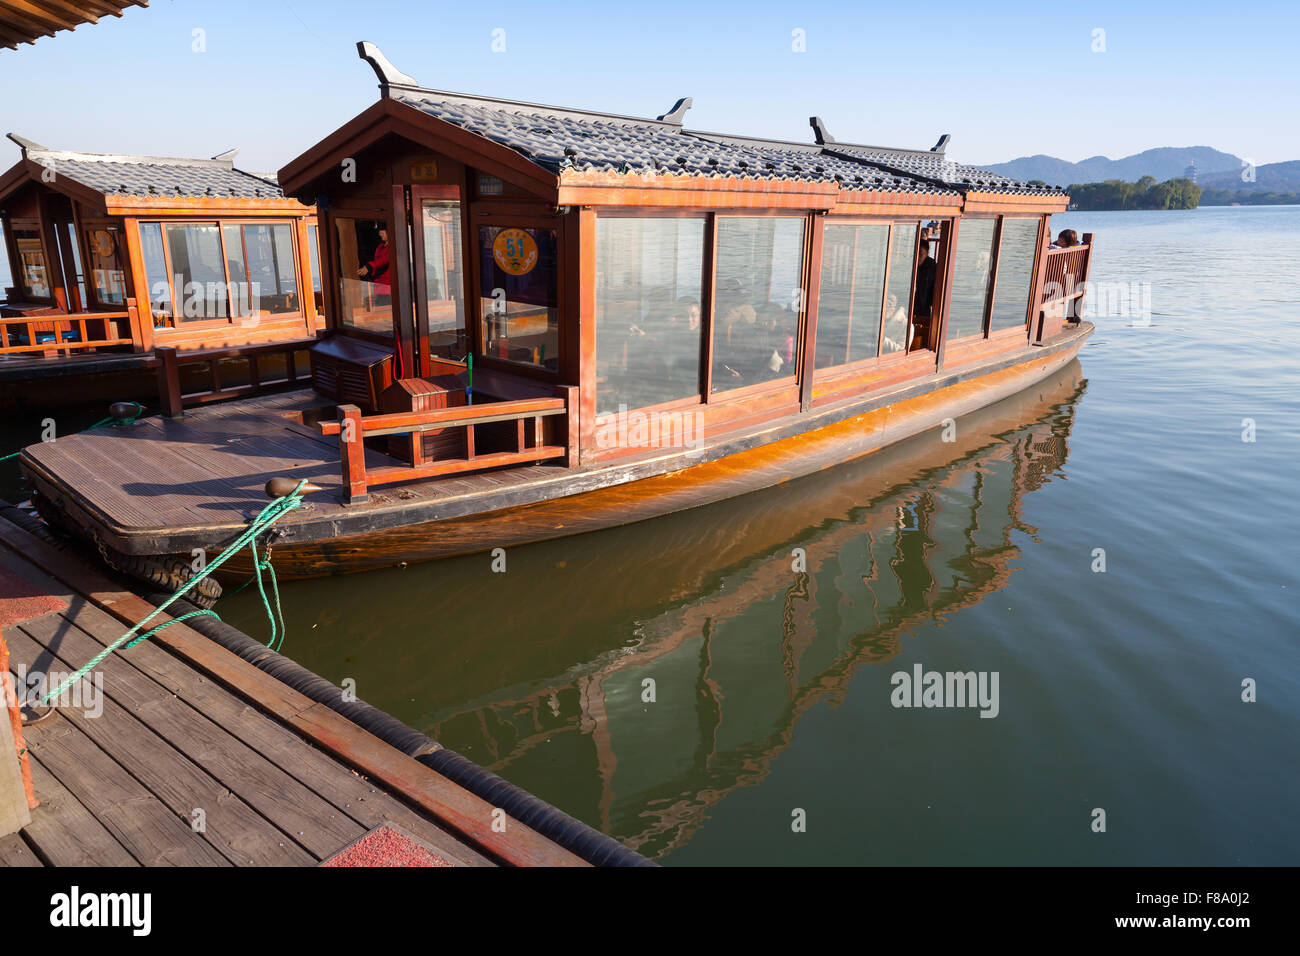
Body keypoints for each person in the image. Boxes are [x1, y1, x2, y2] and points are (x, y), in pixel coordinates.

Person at [913, 240, 936, 350]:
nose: (918, 256)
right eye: (916, 253)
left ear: (927, 253)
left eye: (921, 253)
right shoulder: (912, 264)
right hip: (912, 305)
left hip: (925, 306)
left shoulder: (932, 266)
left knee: (924, 334)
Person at [358, 227, 391, 304]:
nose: (380, 233)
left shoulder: (393, 247)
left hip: (387, 288)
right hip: (378, 286)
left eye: (383, 230)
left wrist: (369, 266)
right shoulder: (380, 246)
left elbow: (382, 260)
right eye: (380, 231)